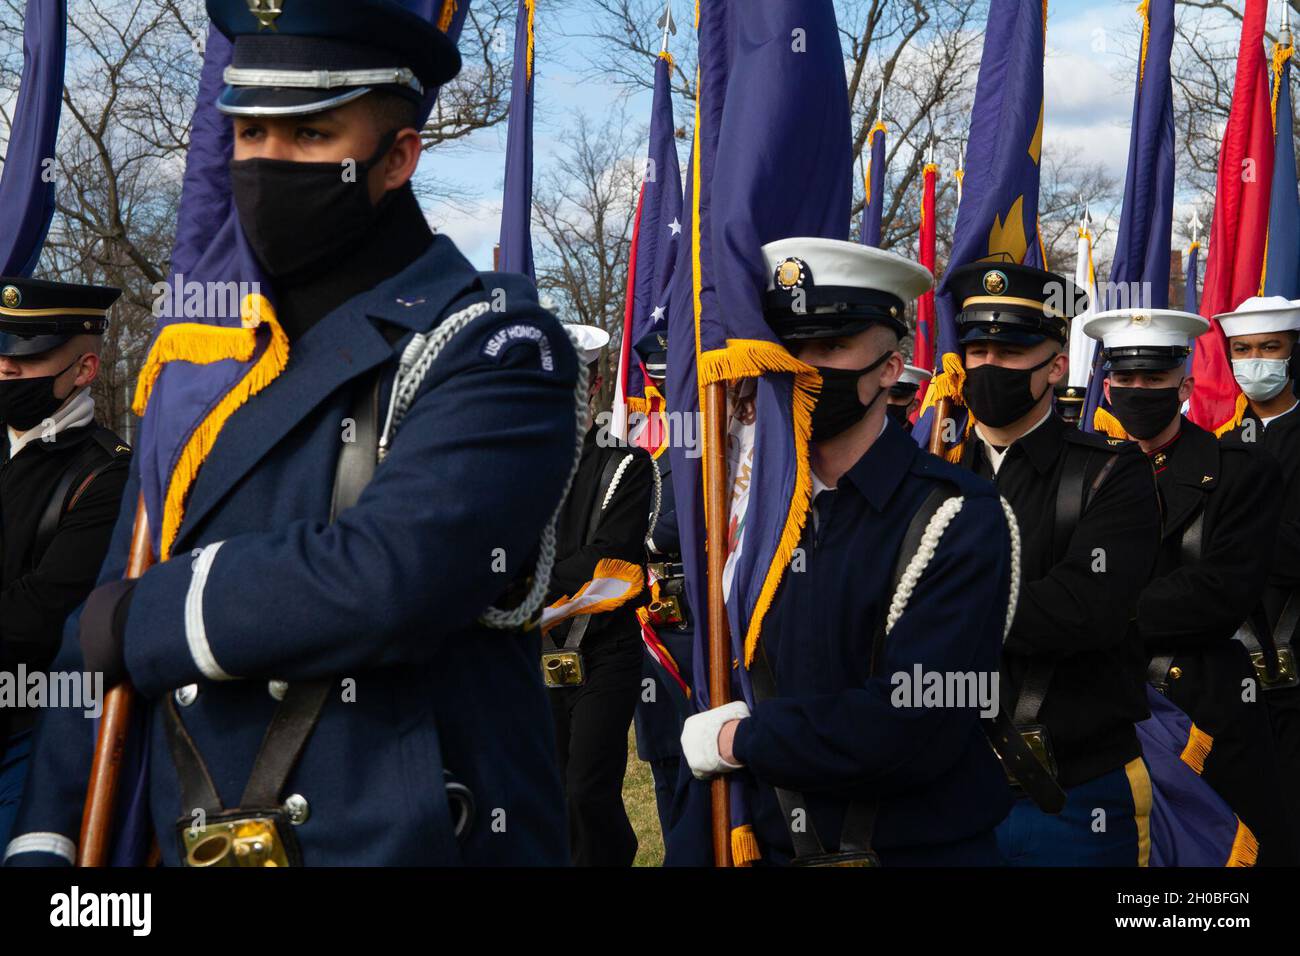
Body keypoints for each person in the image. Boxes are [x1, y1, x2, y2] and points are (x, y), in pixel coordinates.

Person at [5, 0, 580, 867]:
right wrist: (47, 846)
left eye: (310, 137)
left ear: (397, 157)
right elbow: (96, 627)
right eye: (249, 136)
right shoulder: (206, 367)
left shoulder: (495, 344)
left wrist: (147, 618)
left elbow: (391, 576)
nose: (269, 164)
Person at [676, 238, 1017, 866]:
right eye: (791, 347)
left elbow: (909, 724)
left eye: (831, 346)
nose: (805, 368)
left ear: (891, 365)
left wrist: (740, 740)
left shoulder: (956, 513)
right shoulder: (749, 513)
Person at [950, 261, 1161, 866]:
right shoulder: (928, 475)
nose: (989, 366)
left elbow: (1083, 612)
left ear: (1056, 366)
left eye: (1011, 350)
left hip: (1075, 797)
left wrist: (936, 607)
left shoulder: (1111, 473)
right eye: (977, 349)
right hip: (949, 784)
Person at [1085, 305, 1293, 865]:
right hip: (1100, 710)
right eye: (1126, 379)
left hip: (1201, 708)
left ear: (1185, 384)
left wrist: (1092, 612)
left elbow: (1223, 591)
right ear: (1106, 387)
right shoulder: (1081, 470)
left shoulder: (1238, 470)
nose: (1138, 391)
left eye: (1154, 379)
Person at [0, 277, 130, 847]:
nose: (6, 368)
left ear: (83, 371)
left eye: (29, 357)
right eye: (0, 351)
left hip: (28, 731)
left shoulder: (107, 475)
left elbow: (38, 616)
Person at [546, 324, 655, 866]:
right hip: (528, 652)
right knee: (540, 794)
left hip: (603, 651)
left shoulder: (625, 465)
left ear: (593, 384)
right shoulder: (517, 466)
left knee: (587, 791)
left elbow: (610, 564)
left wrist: (528, 578)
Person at [1215, 295, 1300, 852]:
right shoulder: (1220, 446)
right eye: (1242, 350)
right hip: (1231, 668)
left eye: (1270, 347)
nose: (1255, 361)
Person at [629, 329, 694, 838]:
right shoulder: (636, 435)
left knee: (703, 755)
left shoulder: (712, 433)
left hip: (693, 614)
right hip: (642, 617)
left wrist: (634, 537)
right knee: (663, 760)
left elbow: (689, 521)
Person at [886, 364, 929, 434]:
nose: (890, 402)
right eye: (884, 397)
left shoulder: (920, 441)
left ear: (914, 405)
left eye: (899, 398)